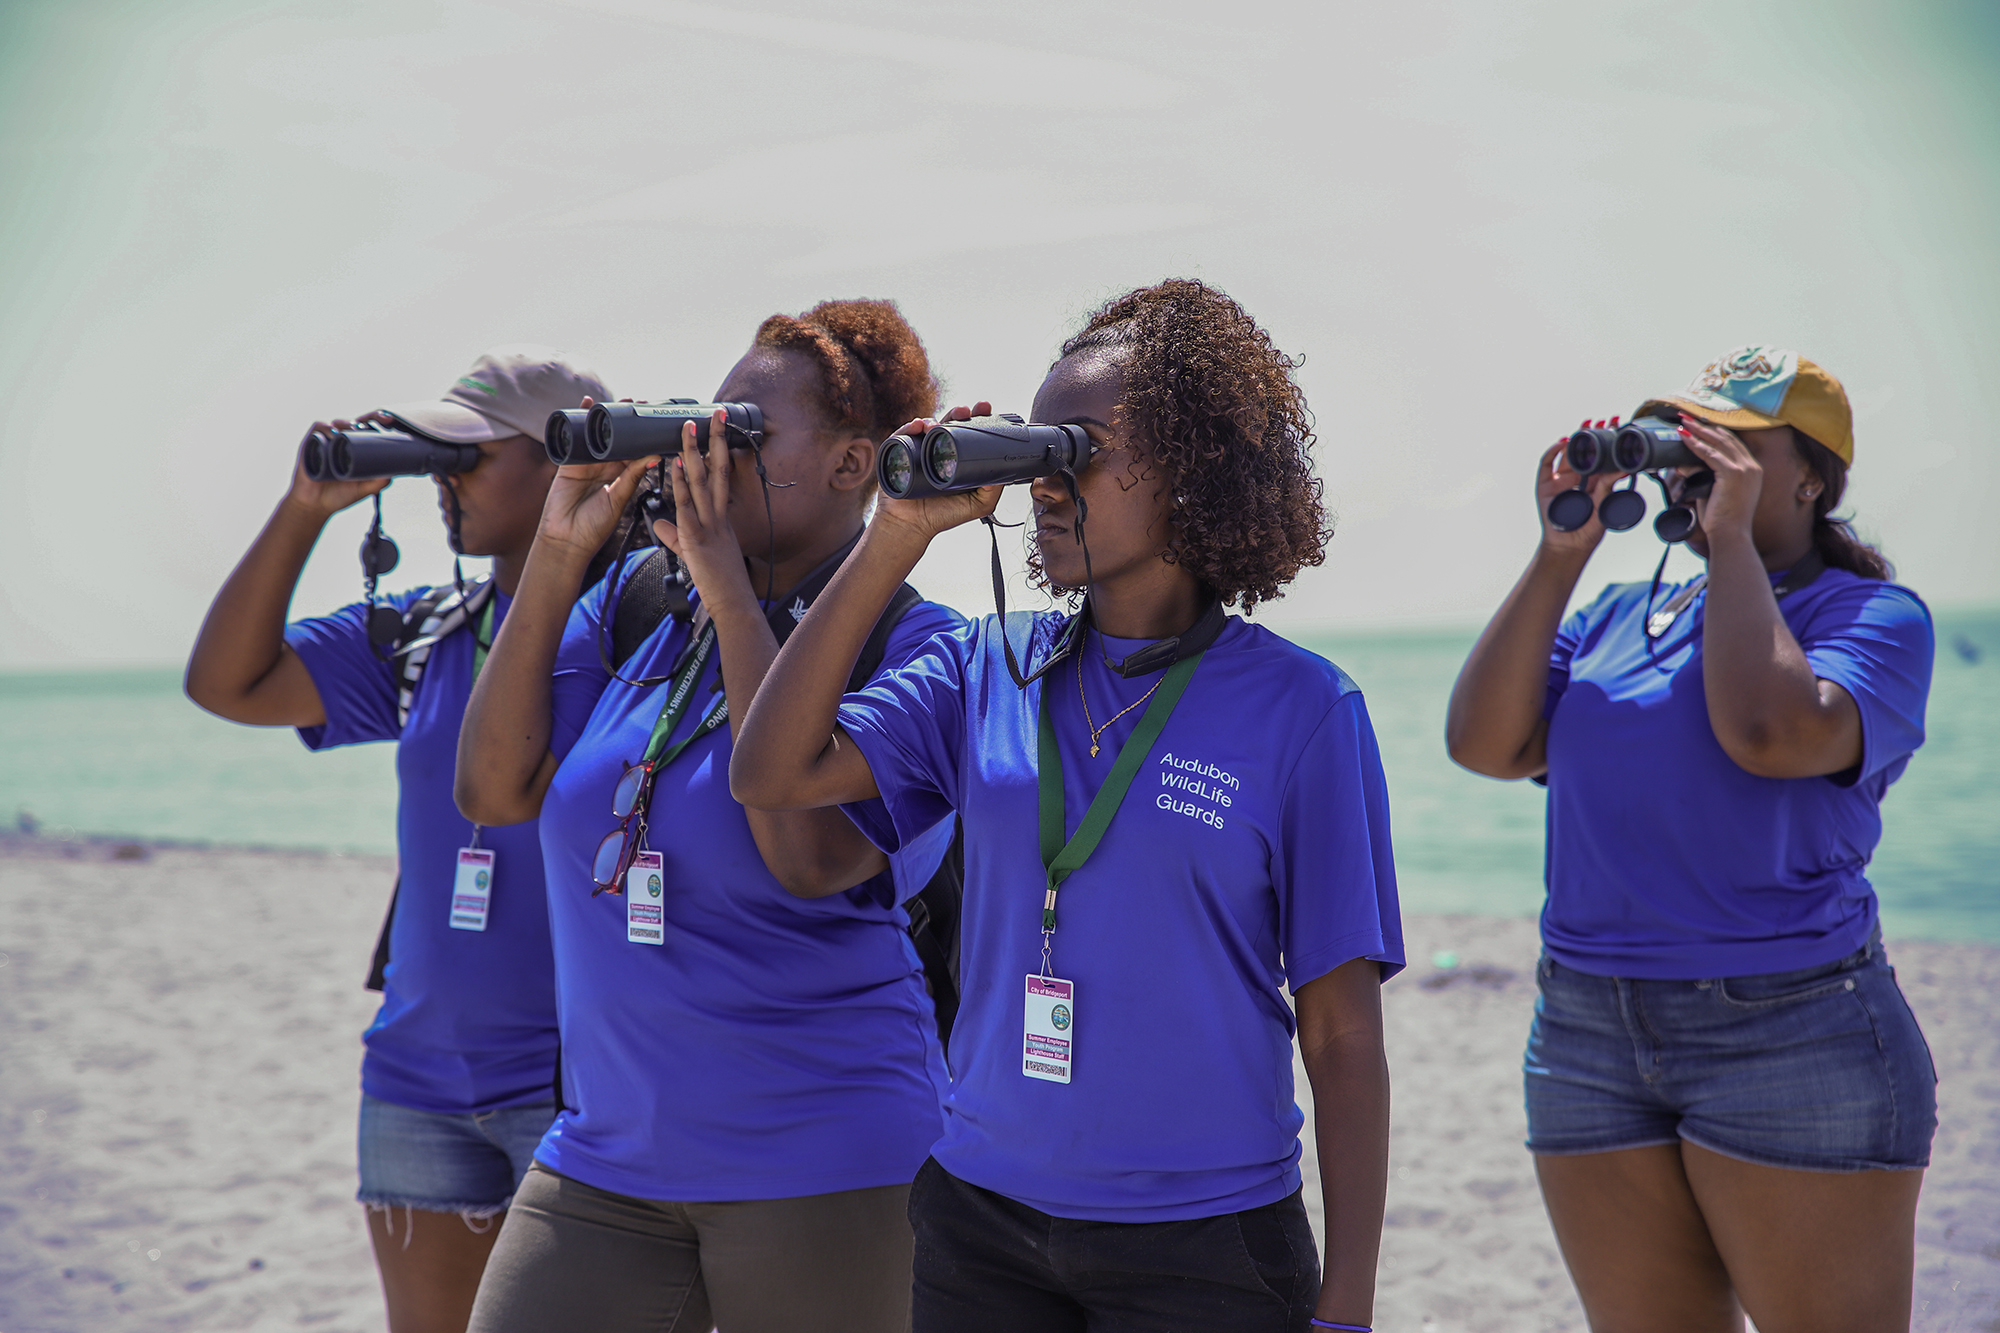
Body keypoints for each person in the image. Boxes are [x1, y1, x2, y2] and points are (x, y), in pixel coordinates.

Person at [732, 278, 1403, 1333]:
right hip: (980, 1225)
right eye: (1033, 449)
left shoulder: (1302, 709)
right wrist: (897, 536)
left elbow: (1341, 1030)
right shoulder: (980, 665)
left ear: (1191, 469)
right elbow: (769, 771)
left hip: (1204, 1242)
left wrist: (1347, 1306)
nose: (1047, 481)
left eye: (1074, 449)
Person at [454, 299, 964, 1333]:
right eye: (705, 422)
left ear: (851, 464)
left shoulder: (918, 650)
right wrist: (558, 550)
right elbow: (492, 789)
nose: (707, 454)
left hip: (822, 1156)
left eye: (744, 431)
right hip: (604, 1155)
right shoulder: (643, 605)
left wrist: (735, 596)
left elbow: (805, 855)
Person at [1444, 347, 1937, 1333]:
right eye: (1677, 438)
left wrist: (1732, 552)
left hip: (1788, 1027)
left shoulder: (1872, 615)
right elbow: (1482, 743)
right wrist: (1559, 553)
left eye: (1725, 440)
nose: (1688, 459)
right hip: (1586, 1029)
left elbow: (1770, 732)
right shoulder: (1617, 614)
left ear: (1807, 475)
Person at [185, 346, 610, 1333]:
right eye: (431, 457)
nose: (440, 482)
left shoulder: (644, 636)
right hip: (419, 1074)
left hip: (580, 1085)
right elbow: (228, 683)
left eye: (467, 456)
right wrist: (305, 508)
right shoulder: (428, 636)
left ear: (567, 459)